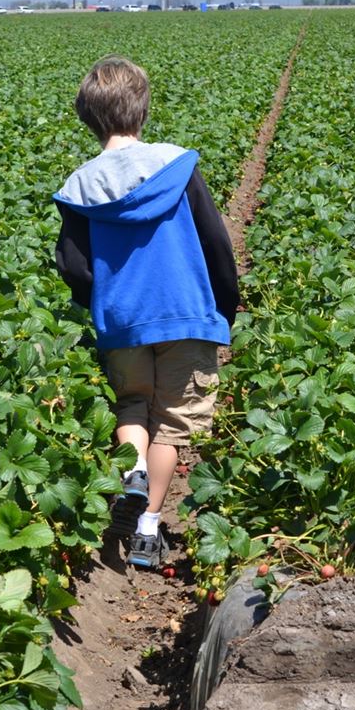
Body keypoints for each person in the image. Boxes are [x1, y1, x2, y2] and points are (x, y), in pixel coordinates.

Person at [53, 55, 239, 569]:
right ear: (143, 110)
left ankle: (132, 471)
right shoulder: (177, 167)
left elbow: (73, 265)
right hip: (184, 312)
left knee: (133, 402)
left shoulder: (81, 186)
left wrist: (101, 304)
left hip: (122, 320)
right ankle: (149, 526)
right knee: (174, 421)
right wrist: (223, 307)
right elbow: (216, 242)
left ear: (88, 118)